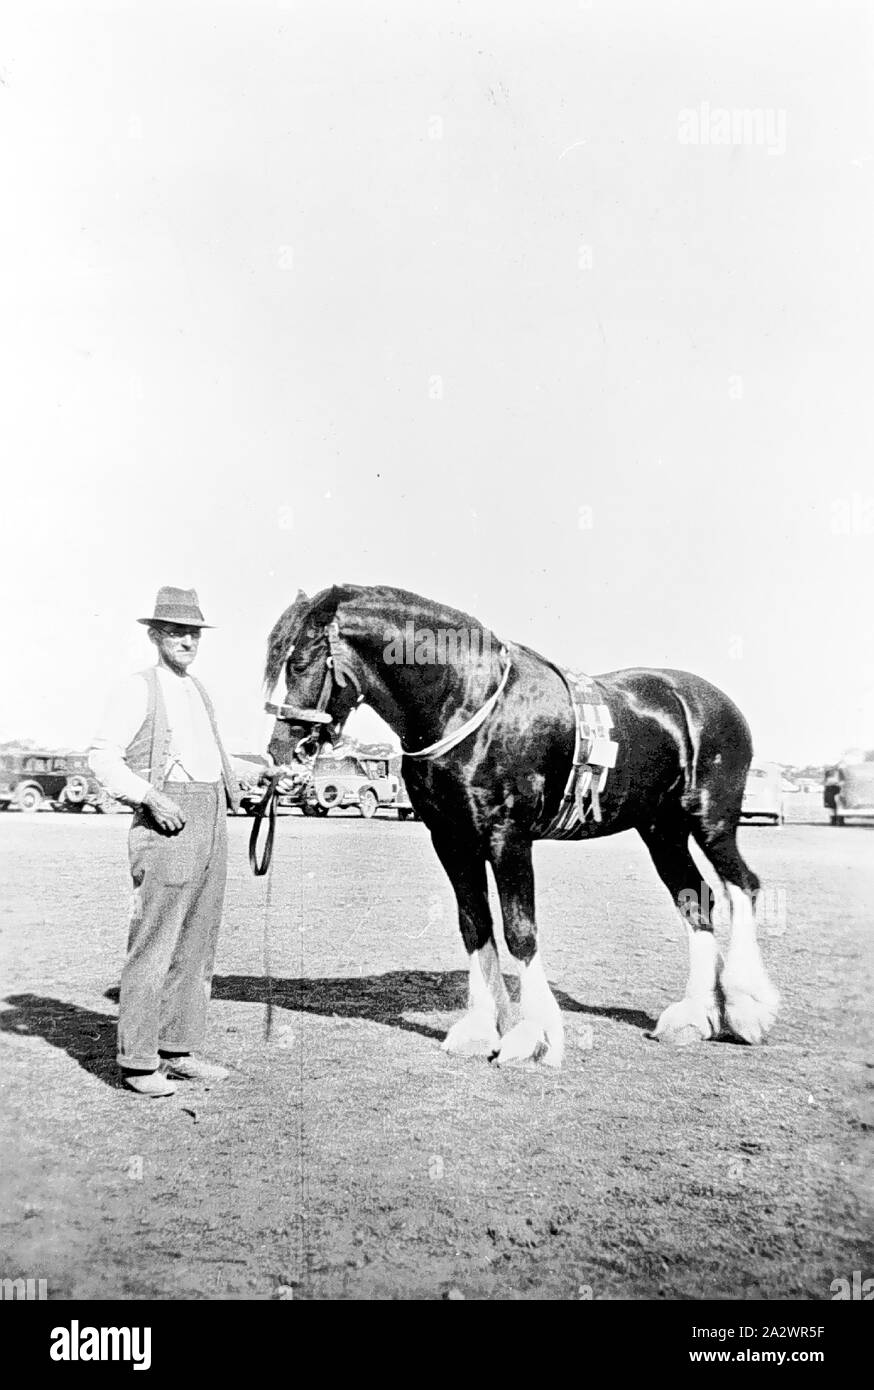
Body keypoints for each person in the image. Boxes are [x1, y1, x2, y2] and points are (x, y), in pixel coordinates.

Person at [89, 587, 241, 1097]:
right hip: (166, 821)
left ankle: (179, 1050)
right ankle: (137, 1063)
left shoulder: (199, 690)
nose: (187, 641)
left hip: (211, 817)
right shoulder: (137, 688)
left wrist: (259, 777)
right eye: (176, 631)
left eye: (194, 632)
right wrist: (150, 797)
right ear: (154, 635)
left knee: (198, 945)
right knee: (155, 945)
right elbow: (103, 757)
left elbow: (210, 758)